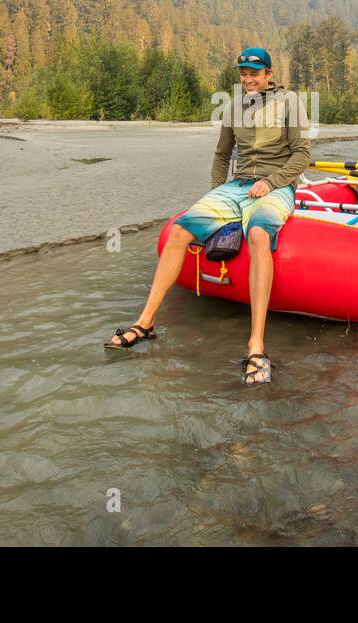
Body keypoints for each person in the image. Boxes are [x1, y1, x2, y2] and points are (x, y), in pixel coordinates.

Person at [106, 47, 310, 385]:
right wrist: (215, 191)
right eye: (243, 73)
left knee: (258, 236)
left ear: (269, 74)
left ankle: (256, 344)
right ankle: (145, 322)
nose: (248, 79)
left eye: (255, 74)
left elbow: (302, 155)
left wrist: (271, 181)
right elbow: (222, 154)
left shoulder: (290, 103)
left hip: (276, 186)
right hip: (236, 187)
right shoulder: (233, 107)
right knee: (180, 231)